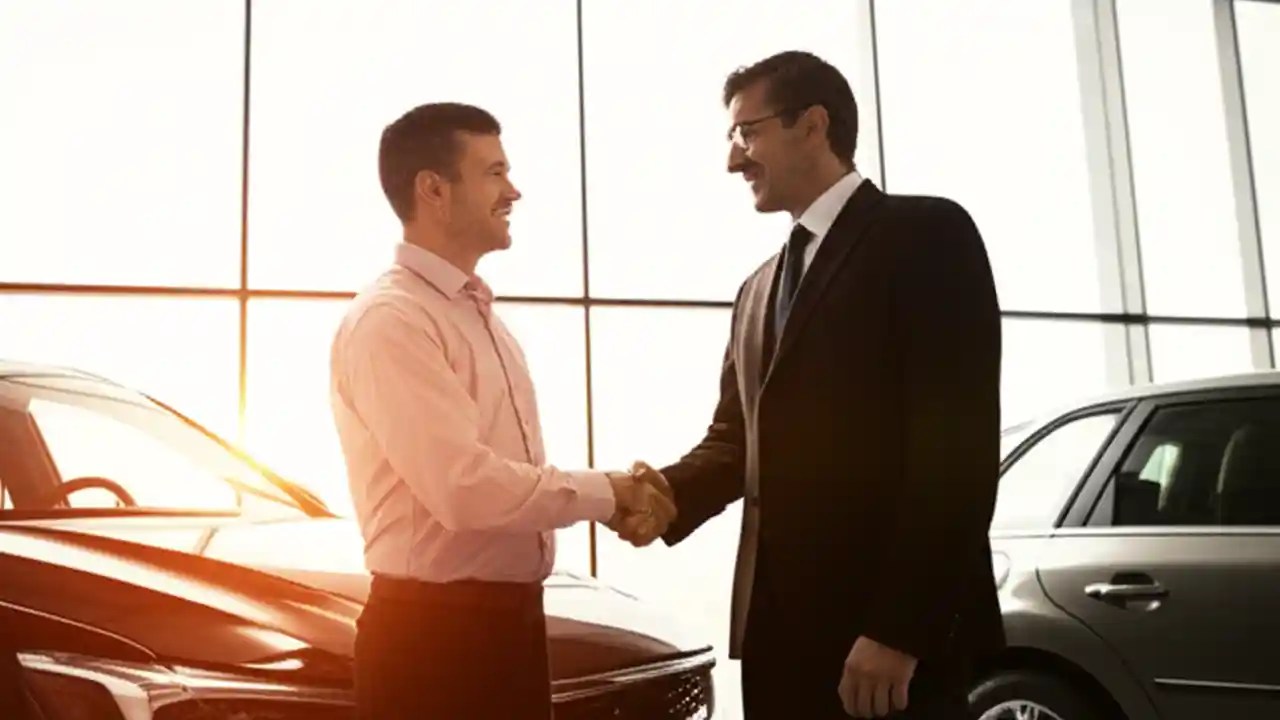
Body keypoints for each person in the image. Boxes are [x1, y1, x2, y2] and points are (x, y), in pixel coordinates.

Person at [625, 51, 1005, 718]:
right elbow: (735, 441)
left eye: (747, 132)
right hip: (778, 641)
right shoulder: (756, 289)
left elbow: (957, 453)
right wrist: (663, 495)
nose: (733, 160)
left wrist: (899, 630)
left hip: (885, 649)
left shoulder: (925, 235)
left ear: (813, 124)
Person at [329, 102, 674, 720]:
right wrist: (609, 492)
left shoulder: (478, 315)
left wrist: (612, 495)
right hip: (433, 644)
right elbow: (463, 489)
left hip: (506, 629)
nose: (513, 191)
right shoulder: (393, 320)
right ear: (434, 190)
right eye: (494, 172)